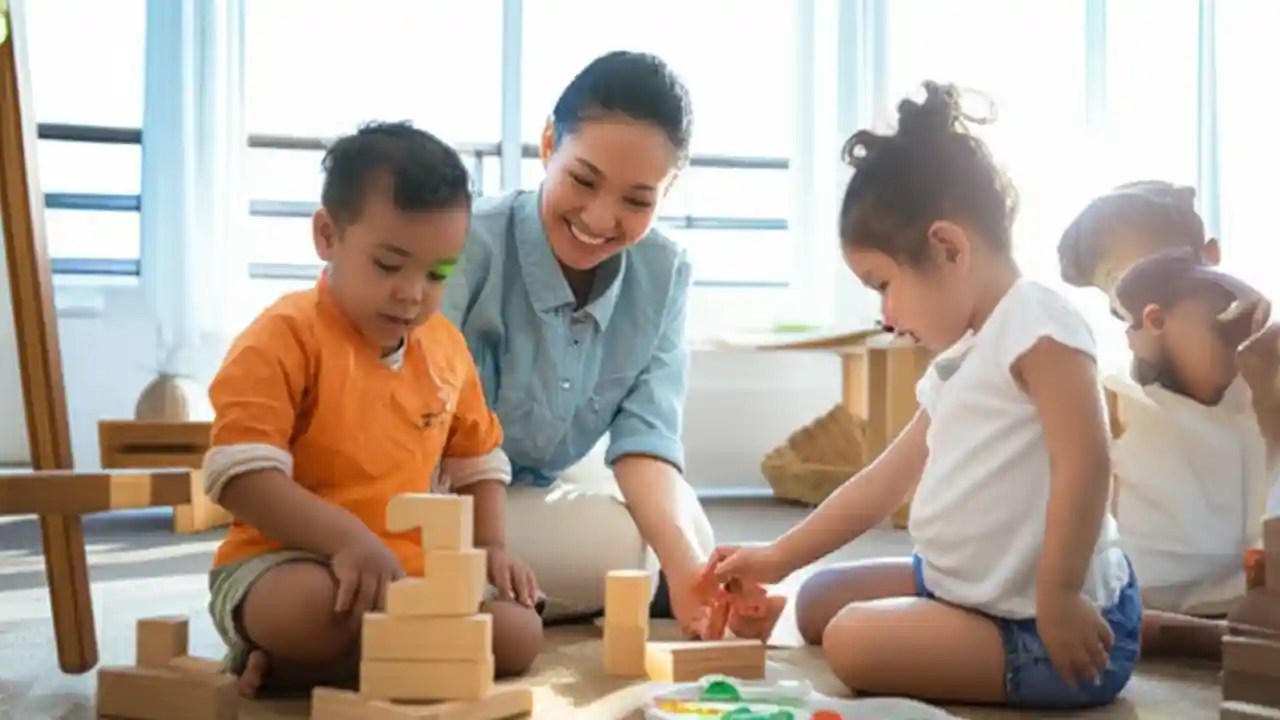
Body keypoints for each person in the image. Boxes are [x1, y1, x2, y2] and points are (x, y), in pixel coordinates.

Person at [709, 81, 1140, 709]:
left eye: (882, 283)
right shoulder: (962, 356)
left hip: (1037, 626)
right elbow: (884, 482)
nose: (883, 314)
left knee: (852, 641)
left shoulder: (1040, 327)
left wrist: (1060, 597)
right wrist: (776, 557)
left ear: (948, 248)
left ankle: (1122, 629)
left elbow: (1087, 461)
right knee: (817, 602)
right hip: (967, 589)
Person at [202, 122, 543, 698]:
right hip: (288, 563)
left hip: (409, 579)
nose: (413, 293)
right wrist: (344, 539)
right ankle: (328, 656)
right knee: (315, 612)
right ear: (327, 236)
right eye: (389, 265)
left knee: (519, 635)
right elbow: (239, 478)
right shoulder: (283, 336)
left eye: (437, 273)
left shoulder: (445, 349)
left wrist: (491, 548)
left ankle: (307, 671)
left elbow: (478, 462)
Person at [442, 50, 715, 636]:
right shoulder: (466, 244)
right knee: (628, 547)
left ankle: (489, 591)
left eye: (638, 200)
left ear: (669, 191)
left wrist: (687, 567)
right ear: (548, 145)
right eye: (582, 180)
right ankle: (448, 587)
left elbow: (646, 439)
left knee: (689, 535)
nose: (599, 217)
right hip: (443, 494)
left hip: (540, 482)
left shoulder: (663, 272)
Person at [1060, 186, 1276, 659]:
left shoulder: (1262, 366)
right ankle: (1213, 640)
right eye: (1117, 291)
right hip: (1150, 597)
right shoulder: (1115, 391)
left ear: (1211, 262)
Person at [1104, 248, 1277, 658]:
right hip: (1140, 601)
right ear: (1156, 321)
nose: (1237, 345)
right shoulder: (1116, 404)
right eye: (1222, 326)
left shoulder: (1252, 405)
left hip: (1240, 599)